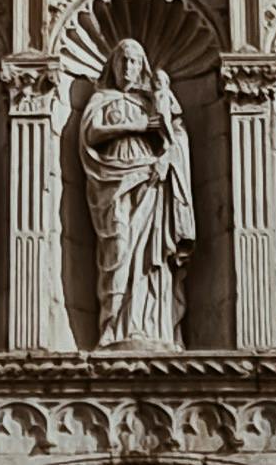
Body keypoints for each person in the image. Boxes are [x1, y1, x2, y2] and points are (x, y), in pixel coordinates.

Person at [77, 34, 192, 348]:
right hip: (112, 180)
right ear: (113, 65)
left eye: (133, 61)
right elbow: (91, 133)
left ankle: (150, 325)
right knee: (118, 247)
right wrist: (137, 126)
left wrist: (167, 159)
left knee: (151, 254)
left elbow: (176, 137)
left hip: (150, 179)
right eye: (122, 60)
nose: (127, 67)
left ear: (142, 66)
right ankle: (113, 326)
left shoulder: (150, 100)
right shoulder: (102, 99)